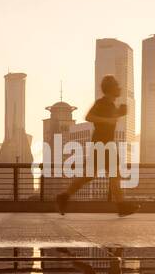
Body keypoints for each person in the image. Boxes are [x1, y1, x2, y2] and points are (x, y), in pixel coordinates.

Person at [55, 75, 139, 217]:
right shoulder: (102, 102)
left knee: (90, 176)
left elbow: (110, 119)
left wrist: (119, 112)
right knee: (113, 175)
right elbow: (89, 117)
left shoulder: (110, 104)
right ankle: (121, 205)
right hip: (103, 144)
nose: (119, 88)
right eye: (116, 86)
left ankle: (64, 196)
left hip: (102, 144)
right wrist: (109, 119)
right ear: (111, 89)